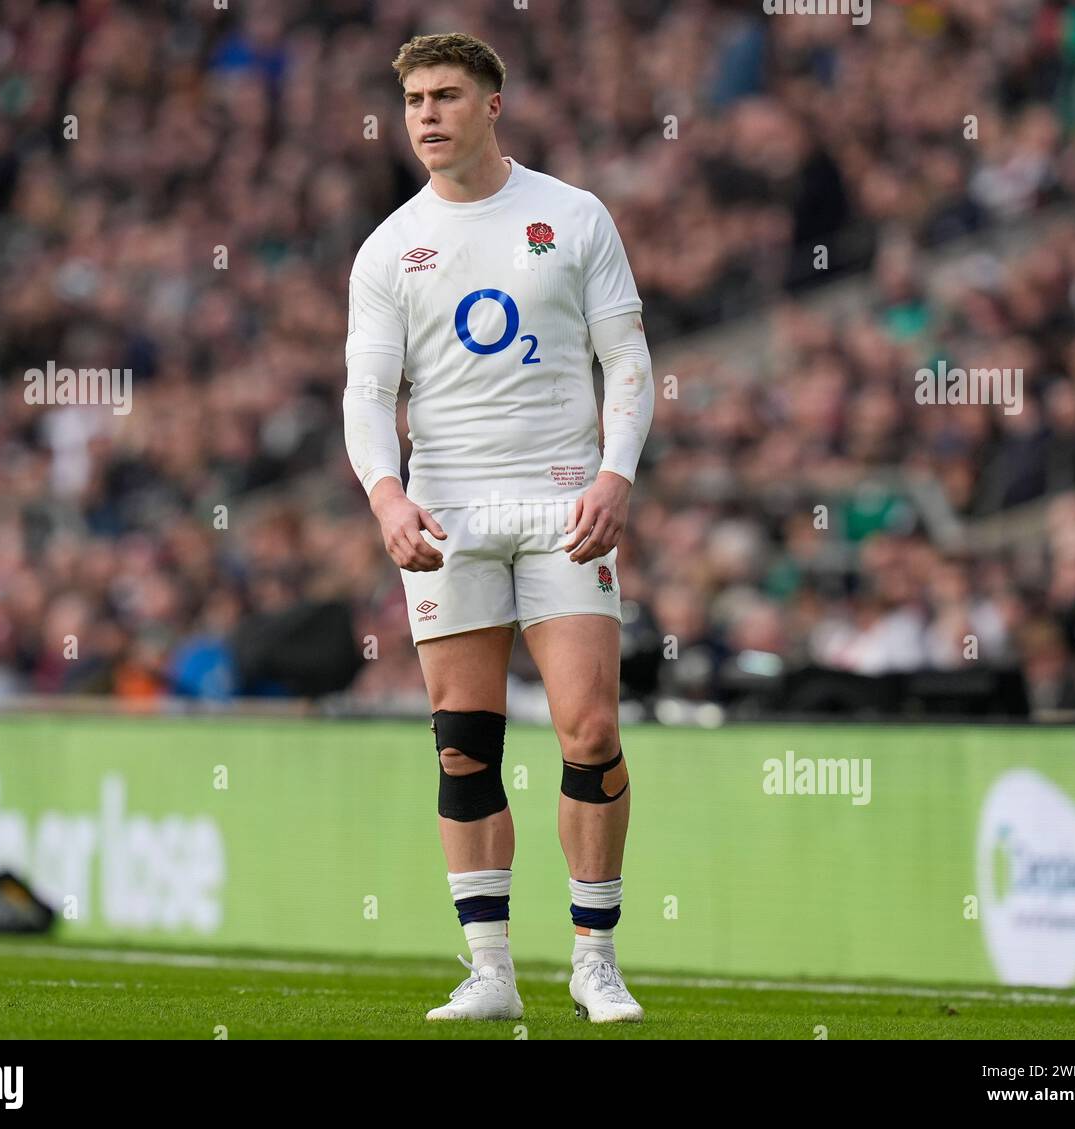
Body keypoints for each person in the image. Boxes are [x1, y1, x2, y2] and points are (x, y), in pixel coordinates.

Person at [342, 31, 654, 1022]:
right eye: (413, 101)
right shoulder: (391, 245)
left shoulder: (570, 216)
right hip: (449, 507)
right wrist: (387, 495)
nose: (425, 115)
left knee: (590, 728)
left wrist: (615, 473)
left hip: (562, 494)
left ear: (492, 105)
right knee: (464, 742)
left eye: (444, 96)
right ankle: (490, 970)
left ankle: (594, 959)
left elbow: (629, 360)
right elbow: (364, 391)